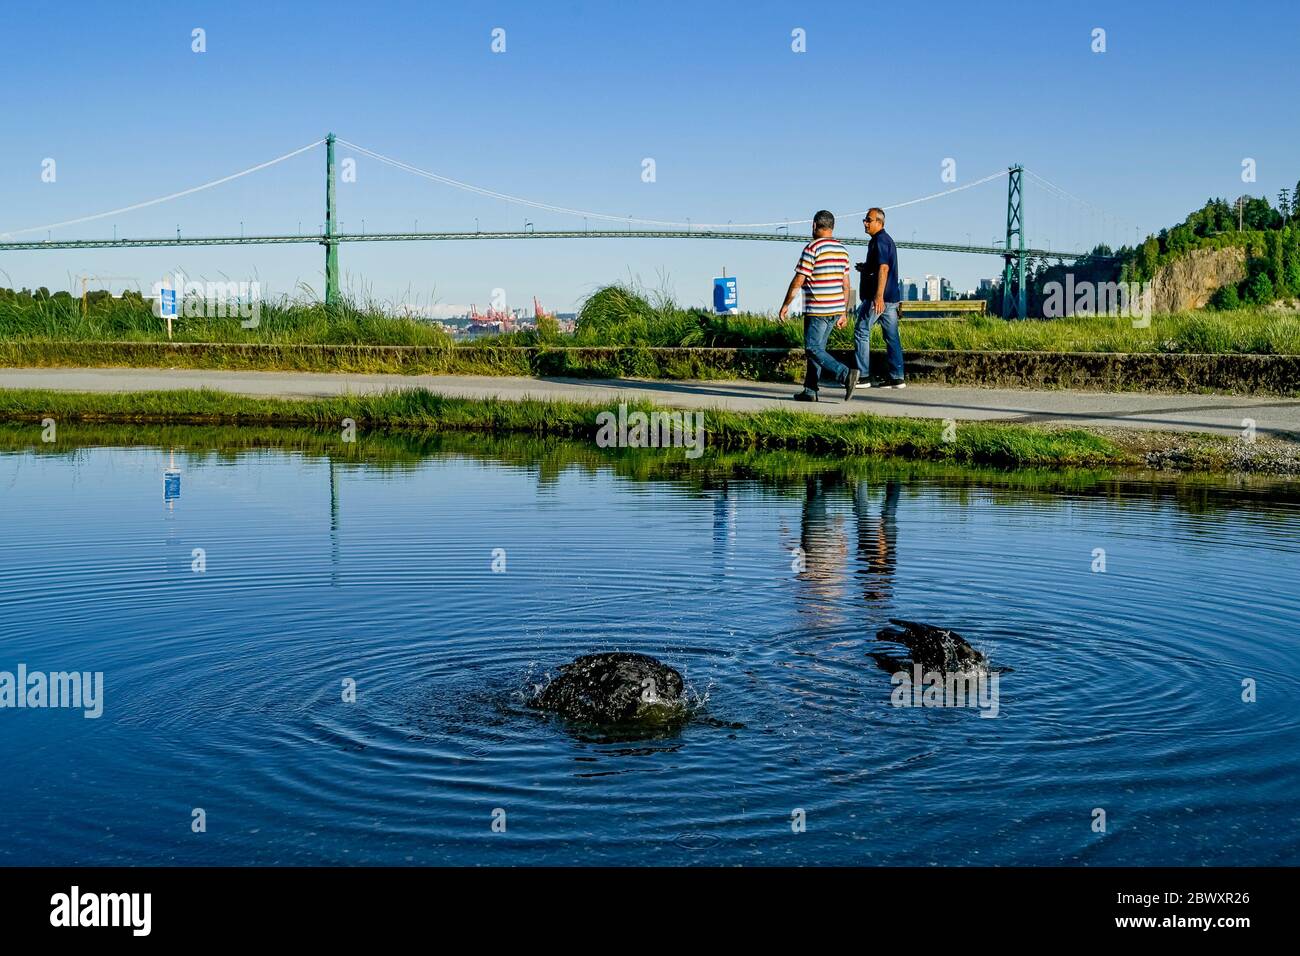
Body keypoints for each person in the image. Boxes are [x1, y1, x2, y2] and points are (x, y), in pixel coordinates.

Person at [778, 210, 859, 402]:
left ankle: (845, 374)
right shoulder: (842, 250)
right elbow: (846, 284)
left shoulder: (812, 248)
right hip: (835, 309)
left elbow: (799, 279)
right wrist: (844, 313)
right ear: (832, 227)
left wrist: (785, 304)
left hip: (817, 309)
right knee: (818, 350)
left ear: (814, 225)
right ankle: (810, 390)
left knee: (812, 348)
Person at [855, 208, 905, 388]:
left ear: (879, 222)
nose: (865, 223)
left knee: (861, 331)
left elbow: (884, 268)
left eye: (868, 220)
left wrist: (878, 297)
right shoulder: (885, 240)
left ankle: (863, 376)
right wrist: (866, 267)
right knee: (892, 337)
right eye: (865, 220)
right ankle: (897, 377)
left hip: (879, 298)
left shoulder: (880, 240)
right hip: (891, 298)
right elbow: (878, 267)